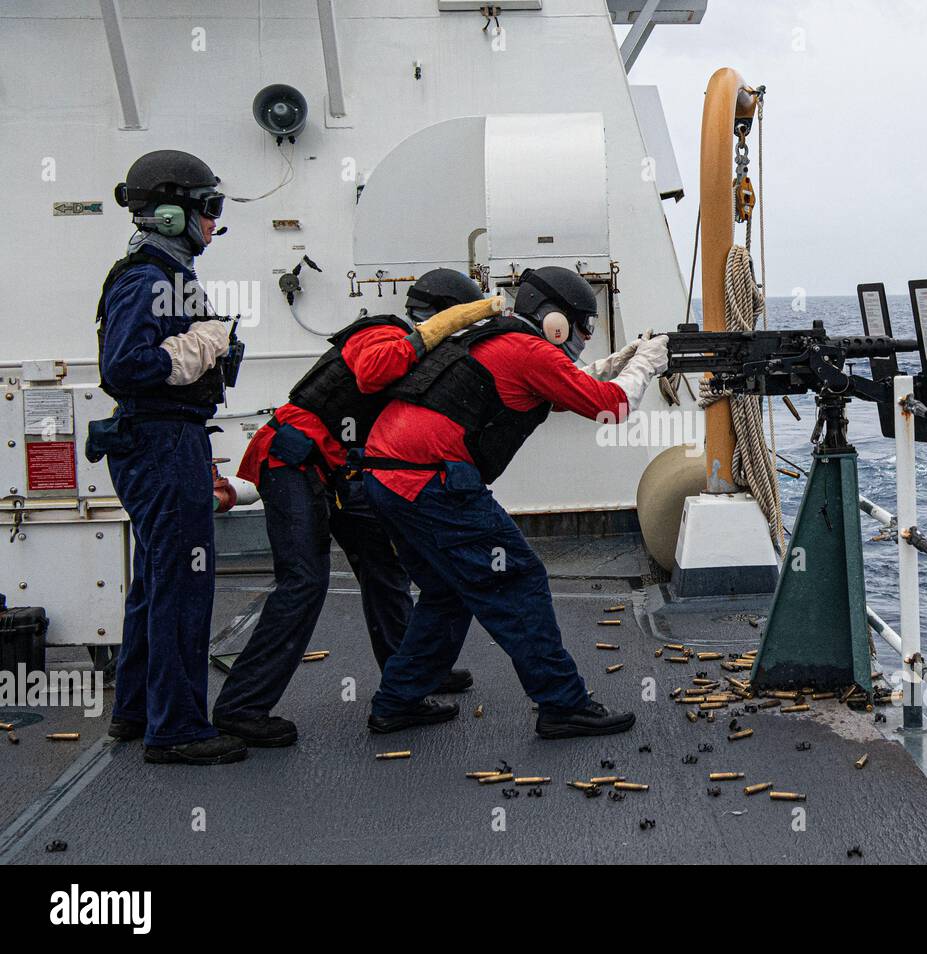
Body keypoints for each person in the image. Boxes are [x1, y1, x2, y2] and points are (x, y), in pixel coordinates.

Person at [359, 265, 669, 738]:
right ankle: (562, 704)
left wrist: (618, 361)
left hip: (386, 477)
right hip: (431, 483)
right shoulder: (527, 350)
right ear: (555, 322)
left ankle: (397, 700)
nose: (585, 337)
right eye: (583, 326)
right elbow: (612, 407)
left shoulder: (495, 339)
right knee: (518, 580)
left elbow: (563, 388)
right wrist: (647, 363)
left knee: (446, 591)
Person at [211, 271, 501, 746]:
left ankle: (410, 678)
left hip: (337, 468)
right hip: (294, 459)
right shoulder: (382, 334)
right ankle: (241, 708)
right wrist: (441, 332)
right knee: (304, 580)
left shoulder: (413, 352)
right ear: (440, 318)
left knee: (383, 567)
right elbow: (372, 372)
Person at [93, 149, 246, 764]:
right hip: (160, 442)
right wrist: (195, 351)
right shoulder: (149, 279)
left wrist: (205, 345)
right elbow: (124, 366)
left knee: (157, 581)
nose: (214, 222)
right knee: (184, 582)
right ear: (167, 214)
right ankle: (178, 728)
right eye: (207, 209)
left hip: (164, 440)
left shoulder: (166, 275)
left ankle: (135, 711)